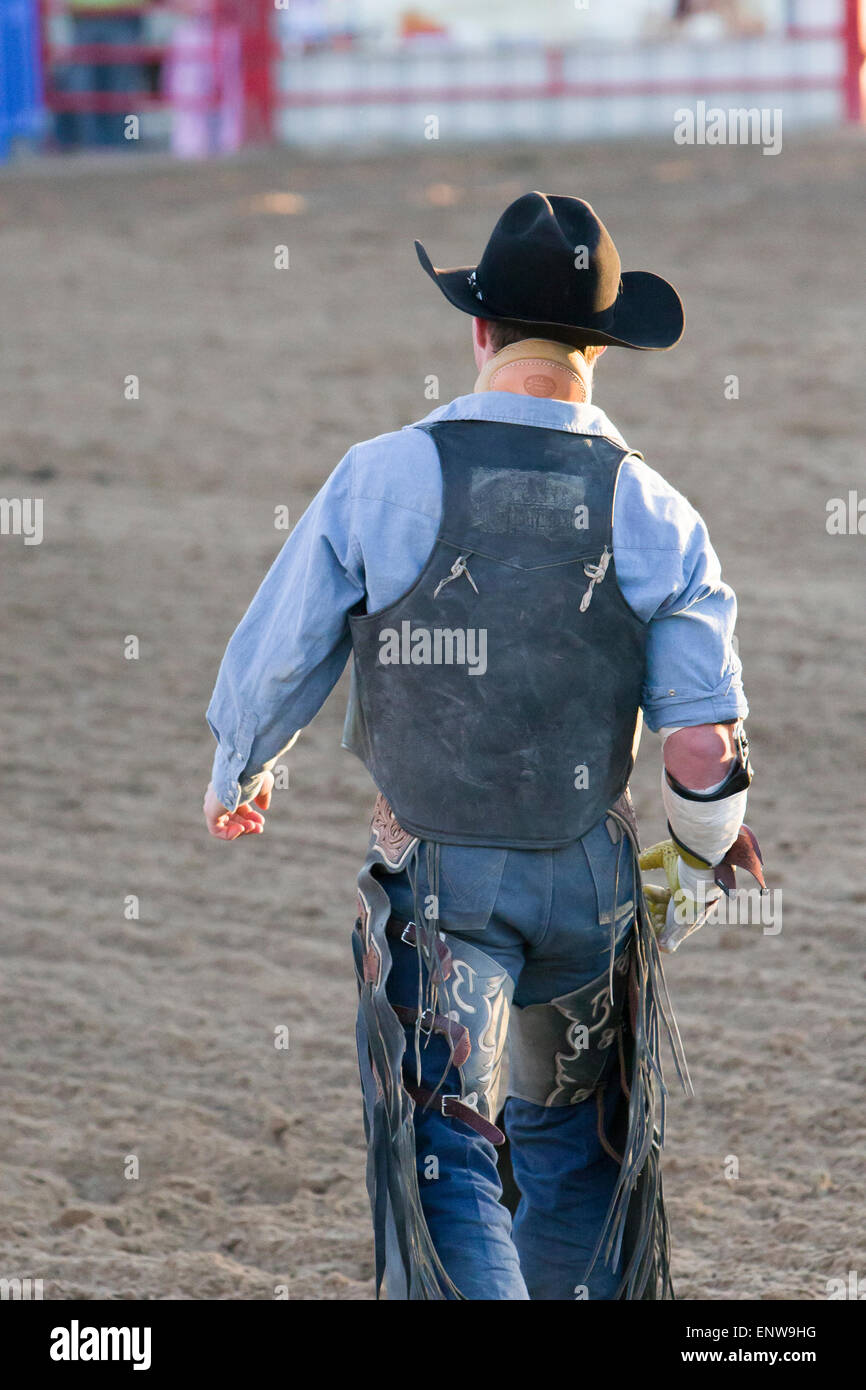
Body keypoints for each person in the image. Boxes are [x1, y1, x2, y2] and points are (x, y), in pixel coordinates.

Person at [204, 192, 761, 1300]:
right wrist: (692, 864)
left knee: (444, 1155)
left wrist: (242, 767)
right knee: (580, 1155)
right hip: (593, 891)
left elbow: (280, 650)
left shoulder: (379, 474)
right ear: (601, 346)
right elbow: (703, 744)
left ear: (477, 330)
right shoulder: (653, 508)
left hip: (444, 888)